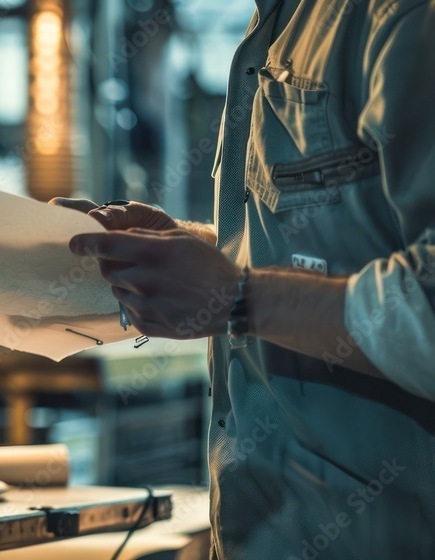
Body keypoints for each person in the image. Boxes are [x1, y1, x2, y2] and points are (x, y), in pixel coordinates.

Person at [52, 0, 435, 557]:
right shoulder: (275, 26)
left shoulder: (398, 17)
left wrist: (236, 297)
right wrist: (188, 250)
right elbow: (331, 250)